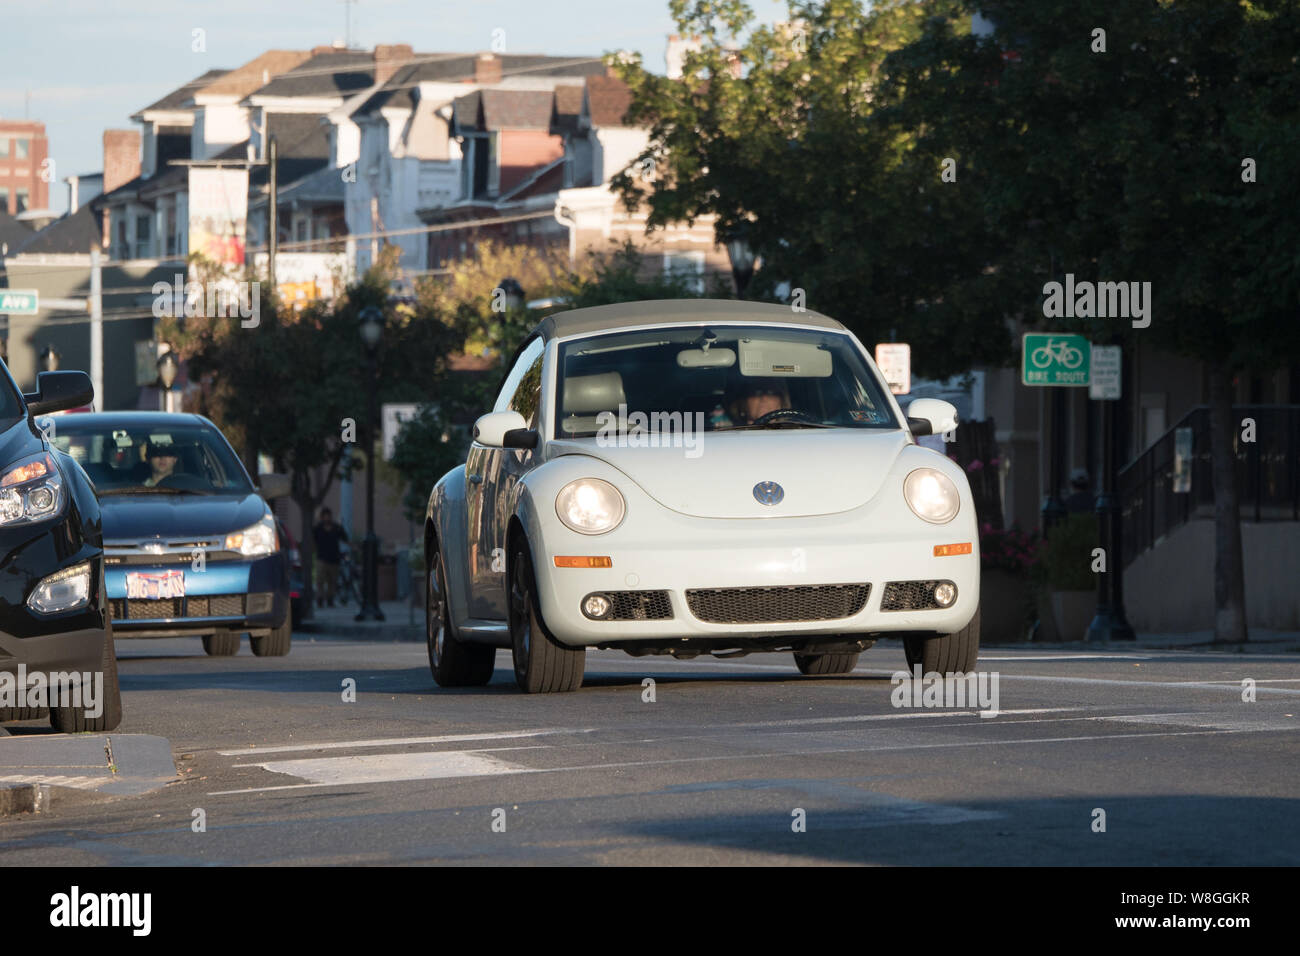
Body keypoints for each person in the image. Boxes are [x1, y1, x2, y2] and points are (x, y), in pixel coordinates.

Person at [709, 377, 791, 428]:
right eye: (757, 392)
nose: (764, 398)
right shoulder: (724, 431)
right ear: (743, 401)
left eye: (771, 393)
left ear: (781, 401)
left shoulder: (797, 430)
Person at [313, 508, 348, 607]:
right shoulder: (318, 528)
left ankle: (330, 599)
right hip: (321, 558)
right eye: (325, 516)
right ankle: (320, 599)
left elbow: (344, 538)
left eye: (328, 515)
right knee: (320, 580)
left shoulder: (336, 528)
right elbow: (313, 540)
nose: (327, 518)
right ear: (322, 517)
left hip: (334, 559)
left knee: (332, 581)